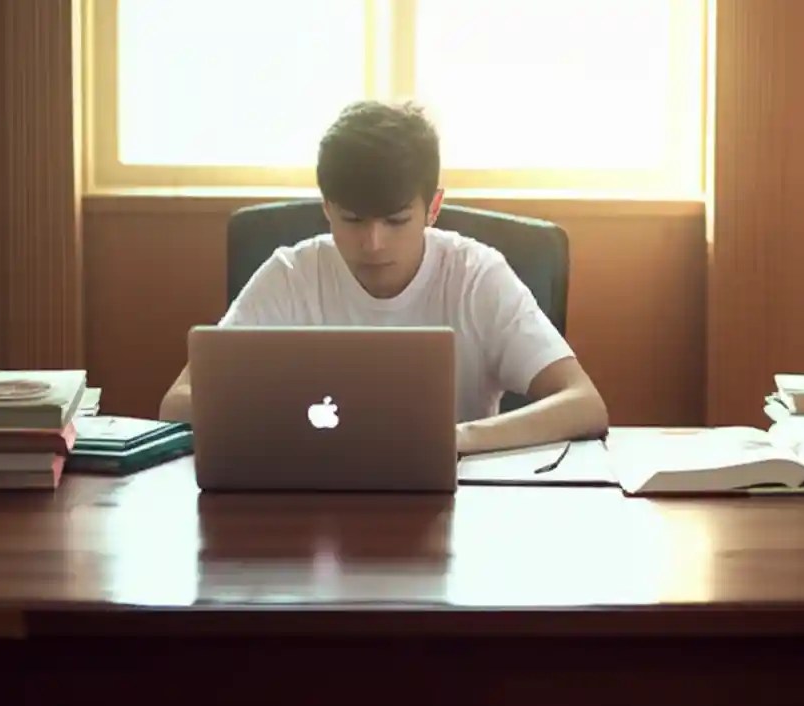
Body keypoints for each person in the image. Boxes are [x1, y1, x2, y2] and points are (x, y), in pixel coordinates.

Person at [159, 100, 608, 454]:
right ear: (326, 206)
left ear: (432, 207)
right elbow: (178, 401)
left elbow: (583, 404)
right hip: (306, 504)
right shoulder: (291, 275)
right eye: (352, 219)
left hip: (454, 508)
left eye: (395, 220)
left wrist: (456, 439)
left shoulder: (475, 275)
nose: (373, 243)